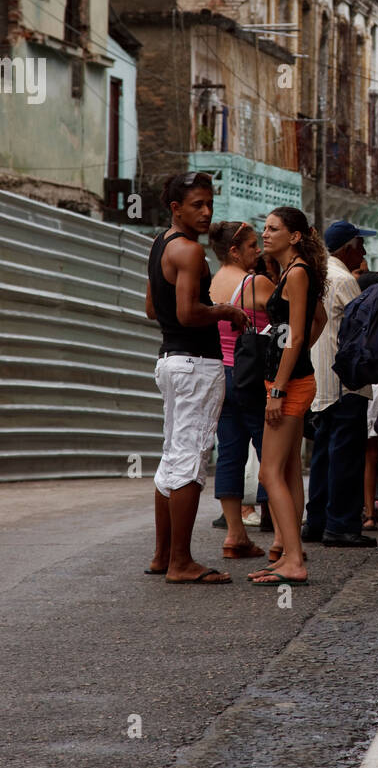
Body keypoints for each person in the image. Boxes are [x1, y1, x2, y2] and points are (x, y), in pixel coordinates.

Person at [145, 171, 249, 585]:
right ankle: (181, 562)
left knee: (173, 456)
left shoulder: (160, 244)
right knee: (190, 459)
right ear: (176, 208)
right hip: (195, 364)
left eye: (209, 203)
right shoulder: (189, 252)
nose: (207, 212)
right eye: (197, 205)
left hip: (171, 360)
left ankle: (162, 556)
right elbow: (188, 313)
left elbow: (154, 308)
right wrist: (225, 310)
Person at [247, 209, 328, 588]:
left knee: (269, 471)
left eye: (273, 229)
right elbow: (318, 320)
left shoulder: (296, 273)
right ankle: (289, 551)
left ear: (294, 236)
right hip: (289, 378)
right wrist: (296, 357)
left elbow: (296, 335)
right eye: (264, 228)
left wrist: (279, 386)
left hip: (288, 384)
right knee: (290, 469)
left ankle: (293, 559)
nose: (265, 234)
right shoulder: (293, 273)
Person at [304, 219, 378, 548]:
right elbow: (359, 333)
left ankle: (317, 520)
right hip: (344, 381)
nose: (363, 253)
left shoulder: (319, 275)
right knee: (346, 457)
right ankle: (342, 525)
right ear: (347, 247)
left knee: (323, 454)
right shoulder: (344, 279)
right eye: (360, 245)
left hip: (321, 379)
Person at [208, 221, 275, 559]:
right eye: (252, 245)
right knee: (271, 452)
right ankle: (278, 534)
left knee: (230, 452)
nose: (258, 250)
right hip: (251, 377)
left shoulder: (210, 282)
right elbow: (289, 315)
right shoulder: (255, 284)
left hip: (220, 376)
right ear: (234, 251)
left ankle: (235, 534)